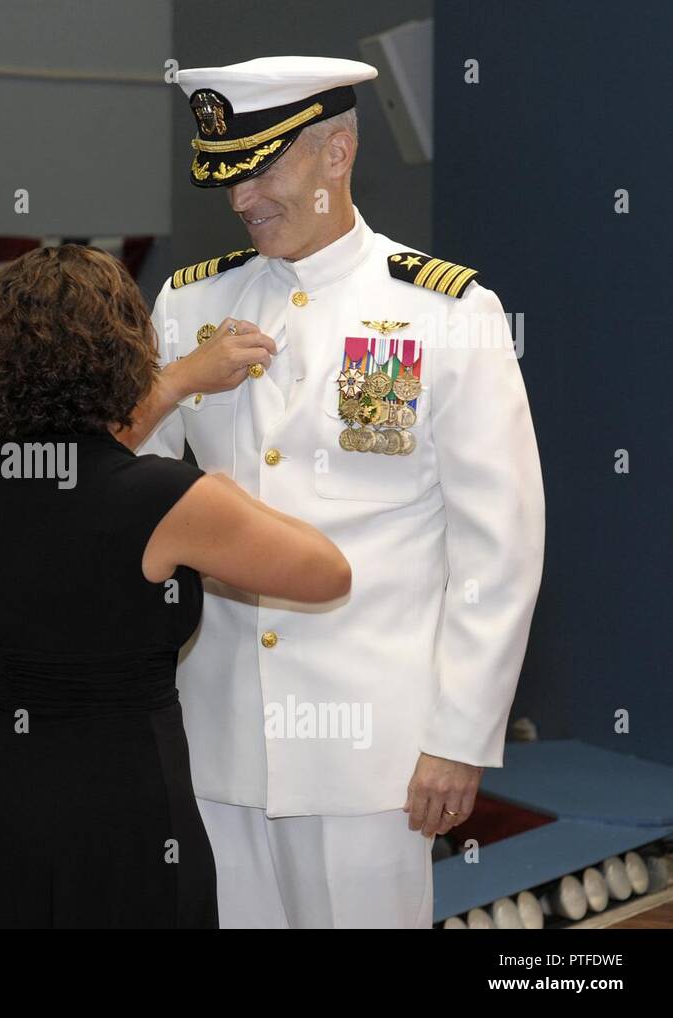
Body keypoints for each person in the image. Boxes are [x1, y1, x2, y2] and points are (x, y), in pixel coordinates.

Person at [132, 56, 546, 928]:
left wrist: (459, 736)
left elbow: (497, 548)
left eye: (262, 167)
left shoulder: (446, 313)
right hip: (221, 739)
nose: (243, 198)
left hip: (375, 752)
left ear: (338, 151)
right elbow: (129, 494)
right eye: (227, 174)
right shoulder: (187, 304)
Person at [0, 243, 350, 928]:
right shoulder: (168, 500)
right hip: (116, 813)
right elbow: (329, 570)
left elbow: (82, 456)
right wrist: (225, 491)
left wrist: (180, 382)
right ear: (126, 351)